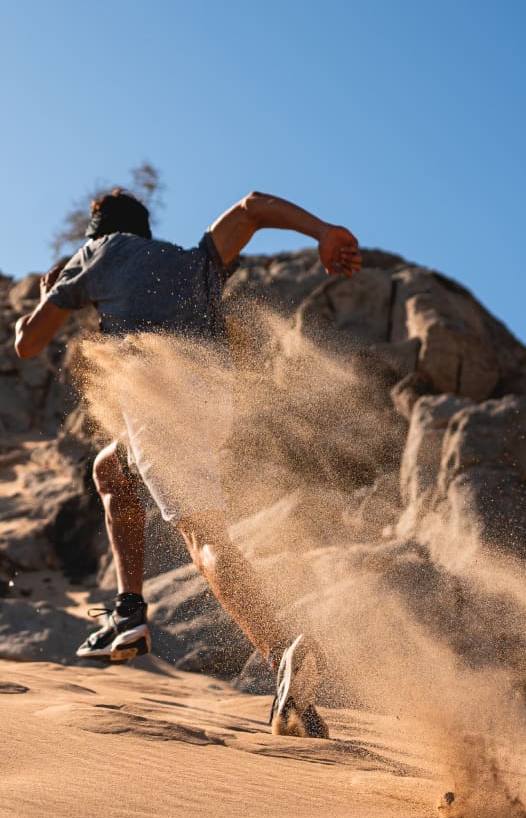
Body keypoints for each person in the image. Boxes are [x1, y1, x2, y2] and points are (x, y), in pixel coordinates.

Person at [14, 187, 362, 737]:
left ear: (96, 232)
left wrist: (48, 294)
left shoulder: (96, 253)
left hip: (163, 405)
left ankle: (281, 656)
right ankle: (130, 612)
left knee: (205, 542)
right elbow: (251, 208)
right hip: (211, 404)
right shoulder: (194, 259)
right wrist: (323, 233)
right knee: (110, 470)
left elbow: (28, 345)